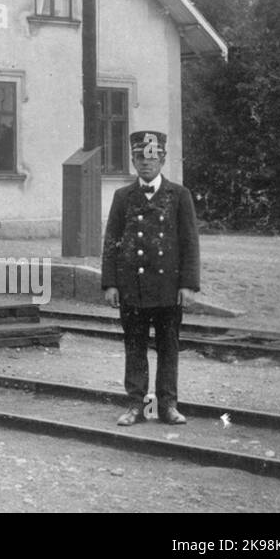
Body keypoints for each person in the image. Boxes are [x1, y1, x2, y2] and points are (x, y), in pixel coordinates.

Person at [101, 129, 200, 426]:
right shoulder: (123, 197)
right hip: (133, 287)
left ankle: (168, 405)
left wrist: (188, 284)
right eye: (140, 157)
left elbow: (190, 242)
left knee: (169, 347)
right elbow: (112, 241)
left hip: (168, 287)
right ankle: (136, 405)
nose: (146, 163)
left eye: (152, 157)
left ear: (162, 159)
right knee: (135, 347)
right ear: (133, 161)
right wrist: (110, 283)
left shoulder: (179, 195)